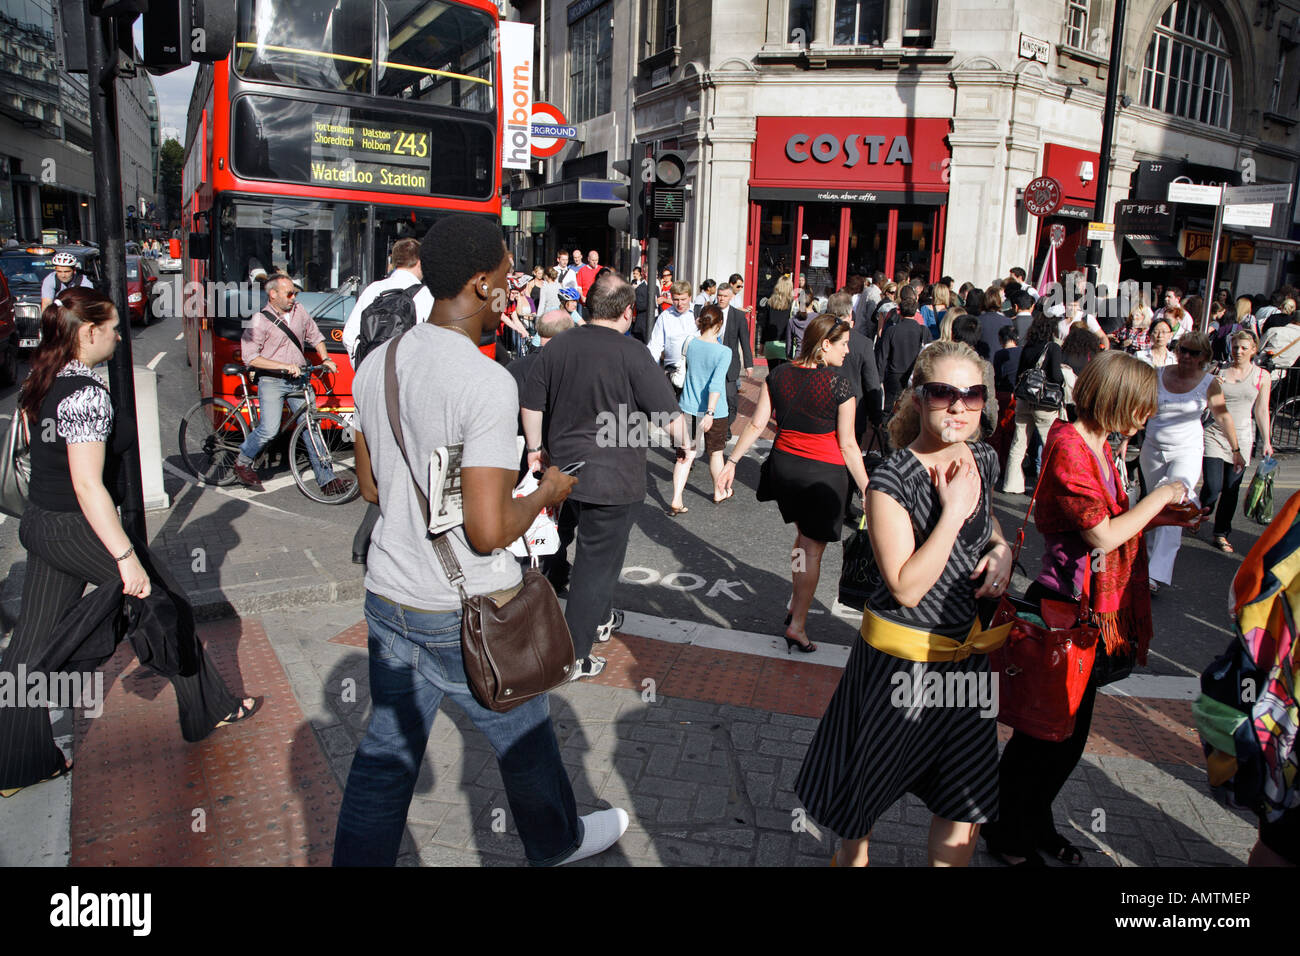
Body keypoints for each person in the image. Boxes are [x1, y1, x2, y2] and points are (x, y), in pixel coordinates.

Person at [333, 215, 628, 867]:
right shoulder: (487, 383)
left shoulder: (377, 363)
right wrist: (547, 493)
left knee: (385, 757)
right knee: (526, 741)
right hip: (468, 612)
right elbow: (488, 530)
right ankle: (557, 841)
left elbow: (373, 489)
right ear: (478, 283)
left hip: (389, 598)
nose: (512, 293)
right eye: (504, 280)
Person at [0, 288, 257, 794]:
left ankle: (16, 762)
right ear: (89, 332)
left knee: (29, 642)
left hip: (42, 523)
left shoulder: (43, 379)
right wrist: (124, 557)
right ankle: (212, 709)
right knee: (166, 606)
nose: (120, 336)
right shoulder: (87, 393)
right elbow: (87, 483)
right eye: (114, 328)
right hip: (79, 527)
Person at [795, 340, 1013, 866]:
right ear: (918, 397)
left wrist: (1001, 549)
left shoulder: (982, 456)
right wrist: (954, 511)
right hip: (903, 667)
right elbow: (906, 586)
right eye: (944, 393)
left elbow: (988, 528)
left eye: (973, 394)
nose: (959, 406)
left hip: (966, 663)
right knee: (862, 805)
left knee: (963, 807)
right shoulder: (890, 480)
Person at [983, 351, 1180, 866]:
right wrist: (1158, 500)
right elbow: (1102, 533)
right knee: (1043, 739)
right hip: (1063, 608)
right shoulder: (1070, 442)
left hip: (1089, 611)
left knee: (1062, 740)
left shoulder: (1100, 443)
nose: (1146, 416)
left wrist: (1164, 516)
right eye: (1140, 406)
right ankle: (1008, 834)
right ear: (1115, 399)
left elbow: (1115, 526)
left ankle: (1032, 825)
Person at [522, 272, 689, 679]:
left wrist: (533, 449)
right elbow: (668, 416)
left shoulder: (558, 345)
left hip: (564, 471)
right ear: (629, 312)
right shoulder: (632, 354)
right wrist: (688, 443)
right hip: (615, 478)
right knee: (597, 565)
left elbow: (531, 401)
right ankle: (573, 655)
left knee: (597, 556)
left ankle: (596, 620)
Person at [716, 315, 871, 653]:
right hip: (822, 476)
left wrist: (732, 461)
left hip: (786, 471)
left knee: (803, 541)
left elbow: (757, 424)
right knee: (812, 549)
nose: (848, 351)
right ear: (825, 344)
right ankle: (798, 623)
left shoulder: (779, 374)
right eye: (843, 344)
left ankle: (795, 603)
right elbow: (848, 445)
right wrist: (868, 489)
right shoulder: (840, 384)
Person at [342, 238, 434, 564]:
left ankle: (364, 543)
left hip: (368, 394)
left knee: (376, 469)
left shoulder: (373, 290)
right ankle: (375, 544)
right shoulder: (424, 296)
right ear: (420, 263)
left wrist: (366, 373)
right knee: (402, 471)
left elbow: (349, 333)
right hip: (403, 397)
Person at [231, 275, 352, 497]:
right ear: (273, 294)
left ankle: (327, 480)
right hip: (272, 380)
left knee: (310, 425)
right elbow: (251, 358)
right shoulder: (260, 320)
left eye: (295, 293)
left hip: (299, 379)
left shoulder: (299, 311)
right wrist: (283, 366)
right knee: (269, 429)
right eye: (289, 294)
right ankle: (242, 462)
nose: (293, 297)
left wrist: (325, 358)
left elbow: (315, 336)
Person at [1142, 331, 1241, 593]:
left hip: (1186, 451)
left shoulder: (1209, 383)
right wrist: (1126, 440)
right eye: (1183, 349)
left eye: (1194, 352)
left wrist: (1236, 449)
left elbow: (1223, 417)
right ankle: (1146, 562)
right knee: (1153, 506)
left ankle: (1155, 574)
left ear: (1204, 357)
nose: (1186, 355)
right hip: (1152, 448)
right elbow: (1141, 408)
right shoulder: (1158, 374)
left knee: (1173, 505)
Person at [1203, 331, 1272, 553]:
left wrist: (1267, 441)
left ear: (1253, 349)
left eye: (1243, 347)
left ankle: (1221, 533)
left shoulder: (1262, 376)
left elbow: (1261, 410)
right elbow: (1202, 403)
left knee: (1231, 489)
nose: (1238, 351)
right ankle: (1200, 513)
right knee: (1213, 486)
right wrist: (1212, 383)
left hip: (1242, 436)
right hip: (1215, 433)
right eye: (1234, 346)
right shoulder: (1218, 371)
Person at [668, 305, 732, 512]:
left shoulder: (691, 344)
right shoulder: (724, 352)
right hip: (717, 410)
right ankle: (719, 491)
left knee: (685, 455)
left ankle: (677, 498)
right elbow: (716, 383)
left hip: (688, 406)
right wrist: (711, 412)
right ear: (719, 324)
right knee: (716, 453)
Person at [1002, 311, 1066, 494]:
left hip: (1024, 399)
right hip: (1044, 404)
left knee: (1019, 442)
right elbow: (1055, 375)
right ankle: (1048, 486)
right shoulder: (1052, 348)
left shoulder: (1028, 346)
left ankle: (1012, 484)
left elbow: (1020, 374)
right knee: (1050, 445)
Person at [828, 291, 884, 444]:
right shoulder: (863, 344)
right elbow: (871, 382)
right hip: (854, 412)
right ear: (850, 314)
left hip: (825, 410)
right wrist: (876, 416)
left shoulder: (822, 340)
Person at [711, 282, 754, 451]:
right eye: (719, 295)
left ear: (731, 297)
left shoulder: (738, 316)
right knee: (714, 397)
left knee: (730, 398)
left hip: (730, 365)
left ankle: (727, 425)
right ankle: (717, 428)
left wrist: (749, 365)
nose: (721, 299)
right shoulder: (710, 312)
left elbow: (744, 340)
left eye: (725, 296)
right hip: (713, 363)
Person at [877, 291, 933, 415]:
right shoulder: (923, 331)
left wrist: (880, 377)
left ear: (899, 312)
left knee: (890, 408)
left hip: (894, 374)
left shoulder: (892, 331)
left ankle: (887, 430)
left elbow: (883, 356)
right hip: (914, 375)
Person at [647, 280, 697, 393]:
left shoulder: (698, 313)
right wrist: (651, 370)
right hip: (672, 373)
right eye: (676, 299)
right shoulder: (665, 316)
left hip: (694, 372)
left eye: (683, 299)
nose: (679, 304)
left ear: (690, 297)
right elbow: (655, 345)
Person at [764, 274, 795, 368]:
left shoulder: (769, 303)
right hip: (785, 345)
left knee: (772, 375)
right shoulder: (792, 304)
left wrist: (762, 344)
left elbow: (765, 324)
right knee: (784, 378)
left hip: (770, 344)